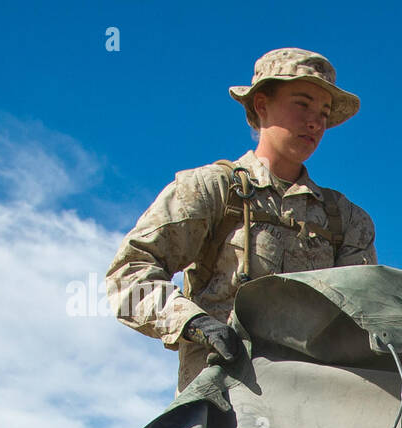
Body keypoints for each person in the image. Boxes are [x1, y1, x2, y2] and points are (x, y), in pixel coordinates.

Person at [106, 48, 379, 392]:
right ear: (261, 105)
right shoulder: (213, 188)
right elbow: (129, 273)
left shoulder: (346, 219)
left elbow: (365, 318)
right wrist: (193, 322)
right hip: (223, 407)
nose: (315, 122)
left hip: (314, 416)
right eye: (302, 104)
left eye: (324, 113)